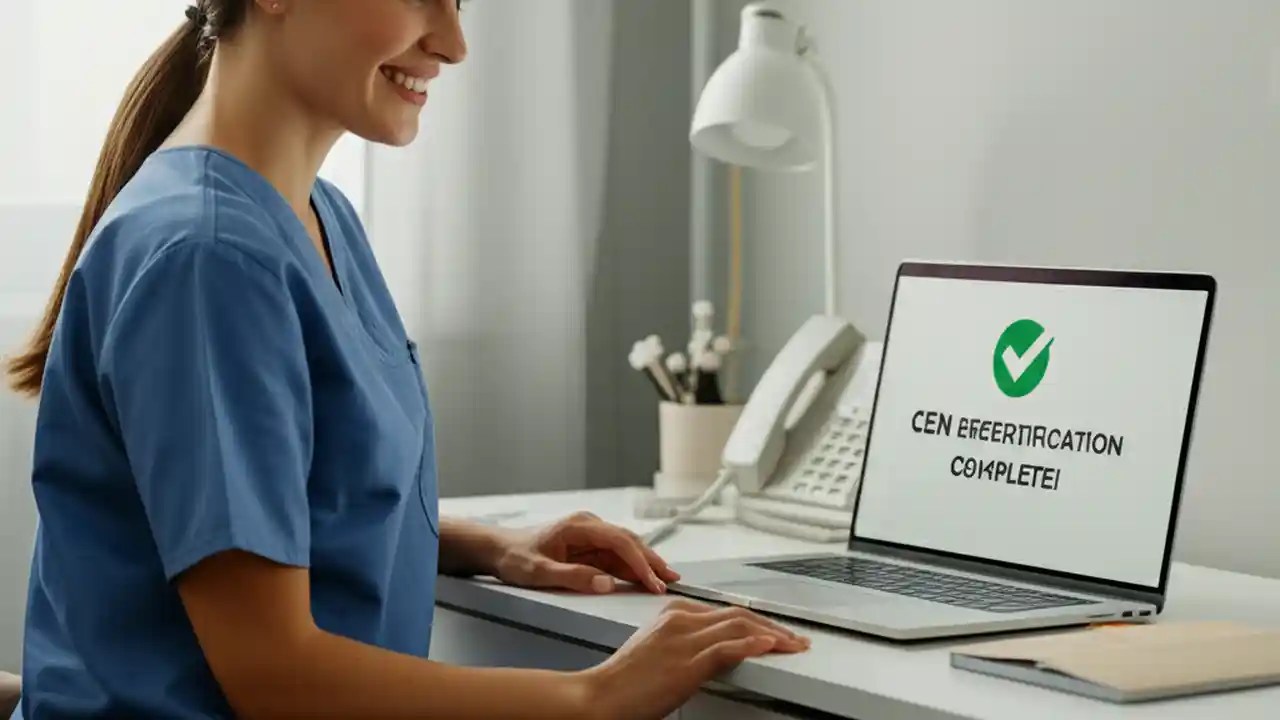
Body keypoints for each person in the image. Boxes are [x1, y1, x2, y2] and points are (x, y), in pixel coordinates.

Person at [7, 1, 810, 718]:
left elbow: (284, 506)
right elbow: (274, 676)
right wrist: (594, 696)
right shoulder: (210, 257)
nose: (455, 42)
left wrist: (486, 544)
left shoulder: (316, 214)